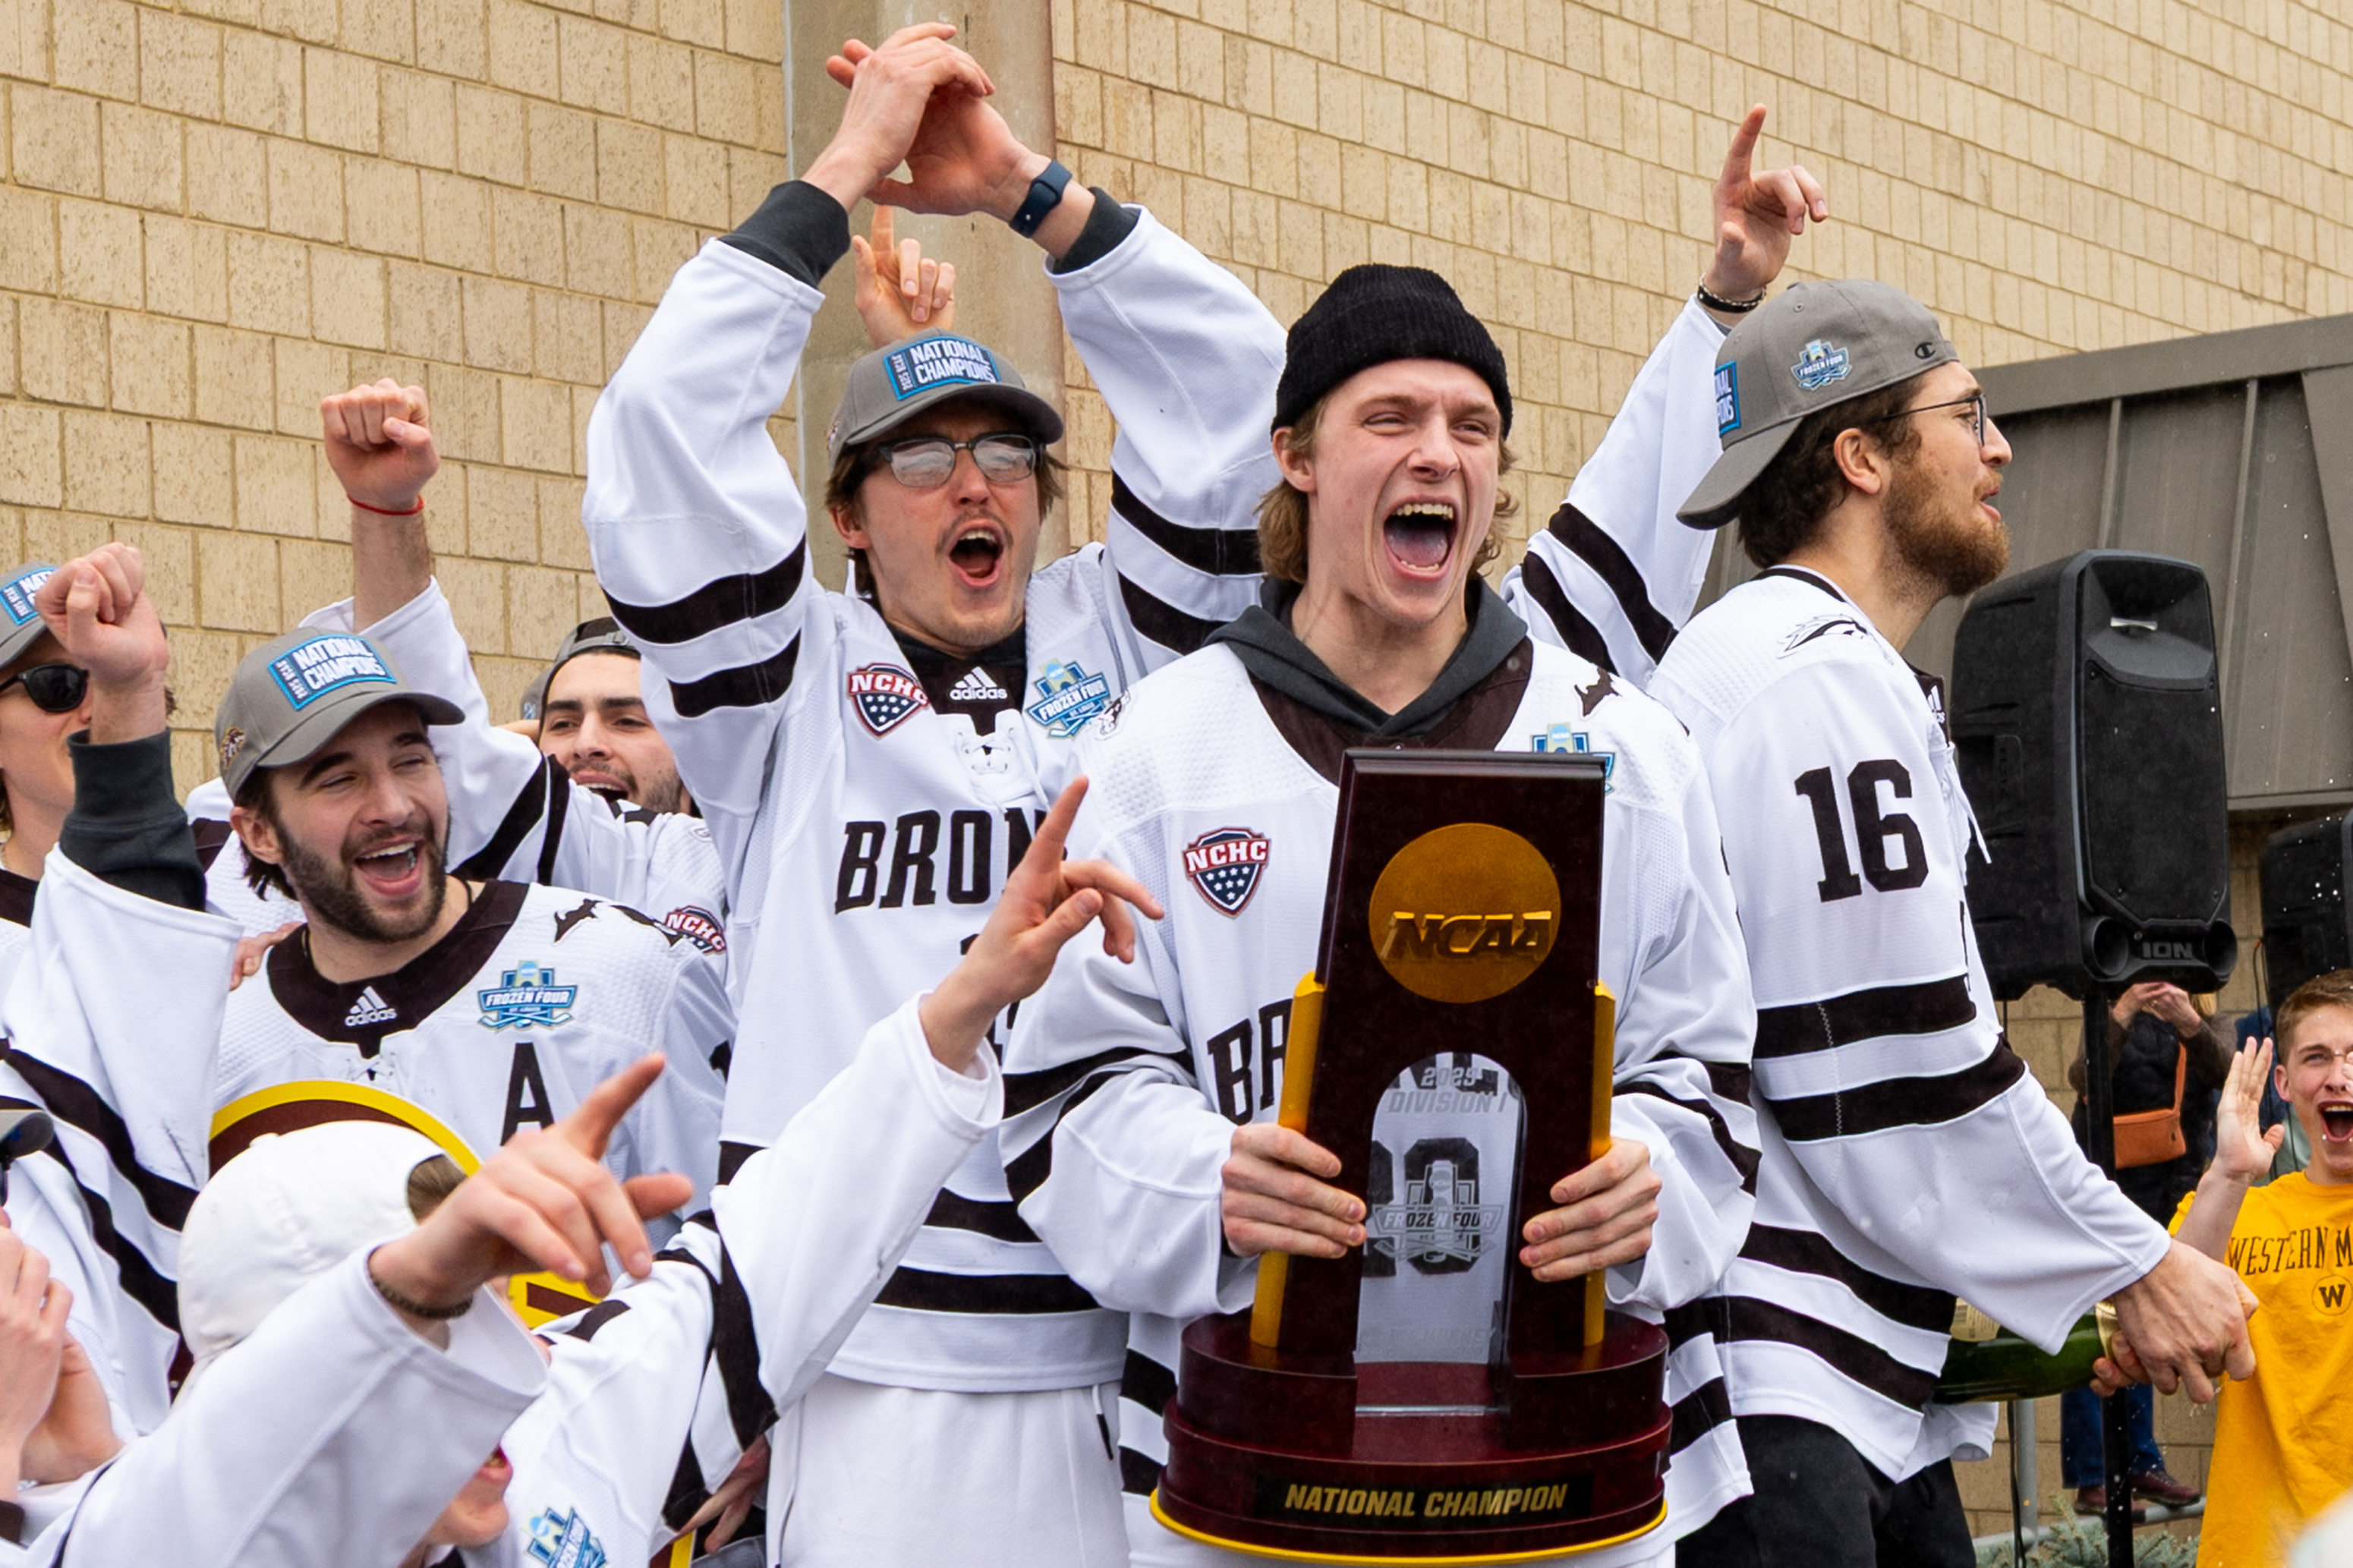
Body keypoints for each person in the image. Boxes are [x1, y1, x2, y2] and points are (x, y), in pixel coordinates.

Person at [999, 173, 1842, 1561]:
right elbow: (1068, 1091)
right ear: (1297, 455)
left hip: (1562, 1484)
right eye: (1388, 418)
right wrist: (1206, 1179)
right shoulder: (1164, 748)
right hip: (1250, 1486)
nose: (1436, 453)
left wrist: (1649, 1174)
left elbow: (1709, 1071)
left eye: (1471, 426)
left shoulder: (1619, 747)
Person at [581, 26, 1292, 1565]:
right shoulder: (778, 688)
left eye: (1005, 454)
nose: (973, 483)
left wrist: (1024, 193)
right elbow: (658, 435)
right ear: (843, 512)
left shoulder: (1133, 641)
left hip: (1123, 1339)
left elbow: (1248, 403)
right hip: (874, 1361)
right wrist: (840, 175)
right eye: (918, 458)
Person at [1646, 279, 2257, 1567]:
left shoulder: (1801, 670)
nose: (1999, 446)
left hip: (1830, 1384)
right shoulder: (1810, 686)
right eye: (1965, 413)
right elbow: (1896, 1061)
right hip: (1772, 1387)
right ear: (1861, 456)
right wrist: (2129, 1264)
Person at [2172, 973, 2353, 1568]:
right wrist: (2227, 1174)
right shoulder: (2242, 1212)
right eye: (2317, 1057)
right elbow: (2168, 1312)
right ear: (2283, 1083)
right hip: (2256, 1549)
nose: (2338, 1074)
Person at [2059, 980, 2229, 1515]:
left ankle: (2139, 1461)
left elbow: (2227, 1074)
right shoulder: (2108, 1014)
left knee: (2146, 1328)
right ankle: (2095, 1473)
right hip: (2103, 1190)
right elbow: (2084, 1078)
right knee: (2095, 1329)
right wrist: (2124, 1009)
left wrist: (2188, 1022)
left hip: (2170, 1192)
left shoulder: (2209, 1021)